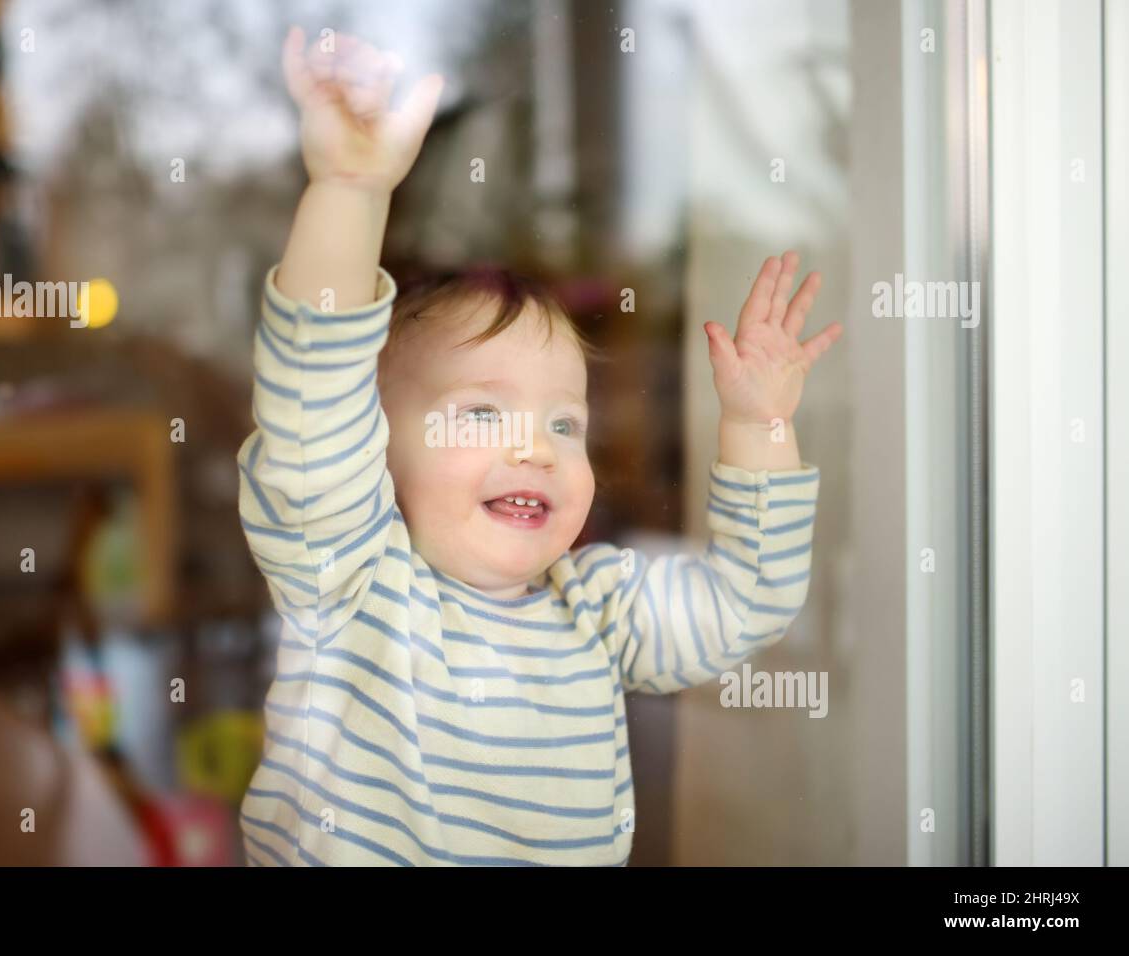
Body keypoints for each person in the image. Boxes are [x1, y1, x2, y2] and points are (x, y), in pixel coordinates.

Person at [237, 26, 842, 866]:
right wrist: (350, 190)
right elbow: (314, 394)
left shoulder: (595, 607)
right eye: (482, 414)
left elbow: (745, 602)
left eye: (566, 424)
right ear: (370, 449)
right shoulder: (352, 580)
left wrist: (757, 425)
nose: (538, 449)